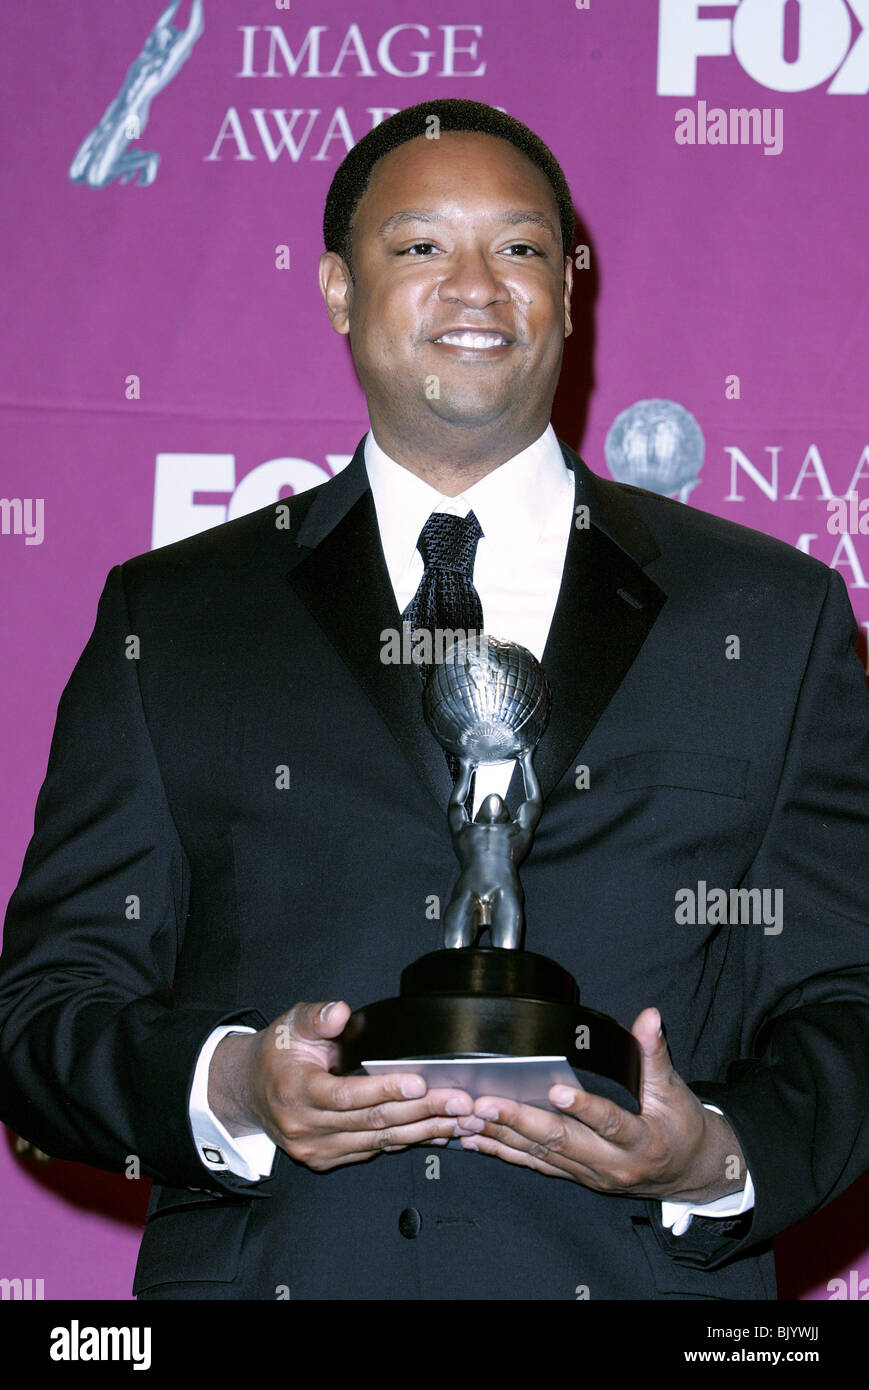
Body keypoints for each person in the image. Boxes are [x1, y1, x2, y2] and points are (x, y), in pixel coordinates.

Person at [1, 99, 868, 1301]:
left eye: (518, 247)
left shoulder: (769, 616)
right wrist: (237, 1085)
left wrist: (712, 1156)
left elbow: (846, 999)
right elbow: (48, 1013)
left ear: (569, 287)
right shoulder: (178, 618)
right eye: (418, 247)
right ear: (337, 290)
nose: (476, 287)